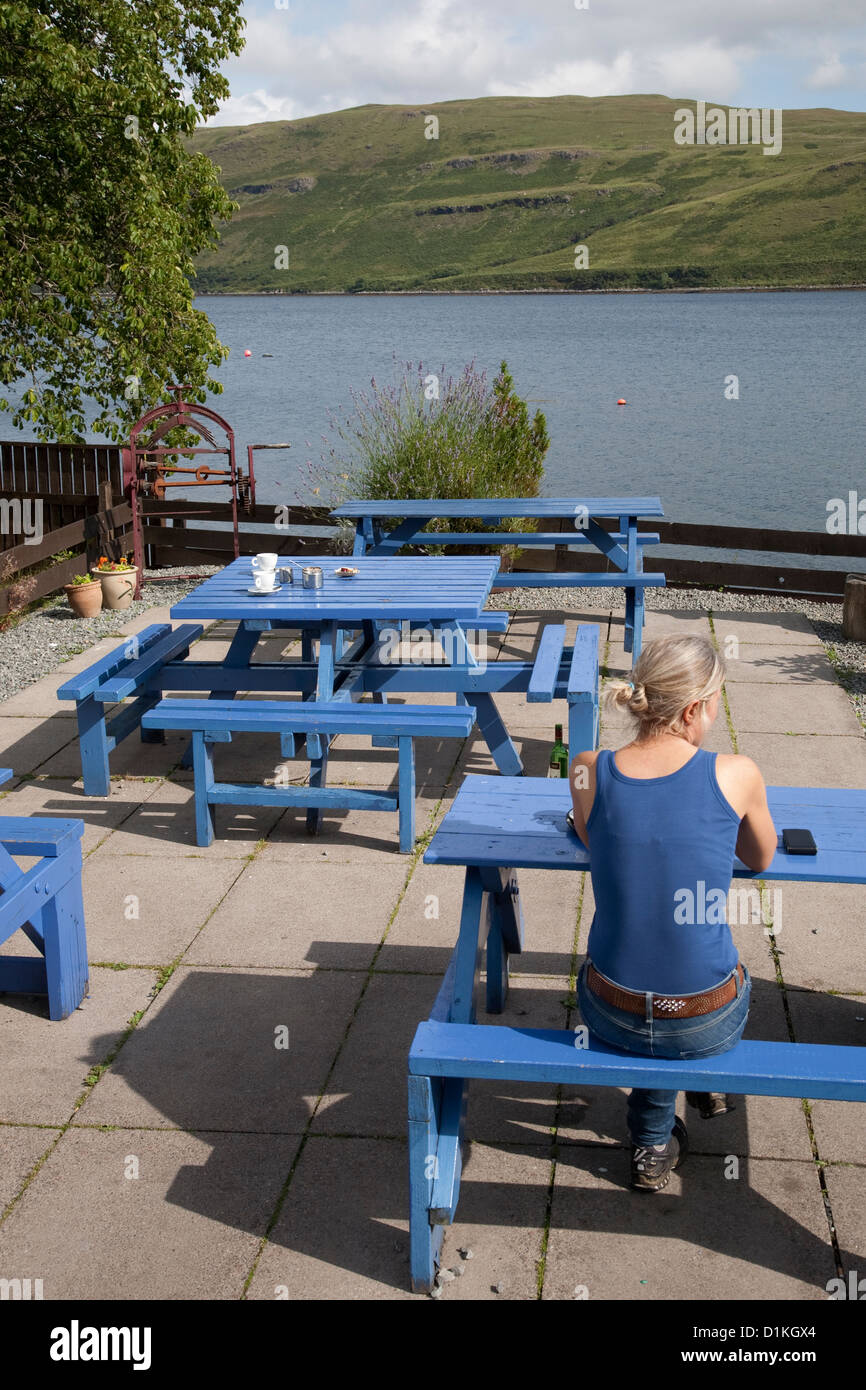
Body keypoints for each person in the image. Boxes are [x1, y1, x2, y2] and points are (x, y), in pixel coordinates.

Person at [569, 634, 777, 1192]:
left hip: (607, 1009)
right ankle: (674, 1113)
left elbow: (589, 835)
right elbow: (760, 856)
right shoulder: (737, 773)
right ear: (693, 710)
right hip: (706, 1017)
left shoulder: (588, 767)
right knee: (717, 978)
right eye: (715, 704)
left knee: (647, 989)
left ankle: (655, 1142)